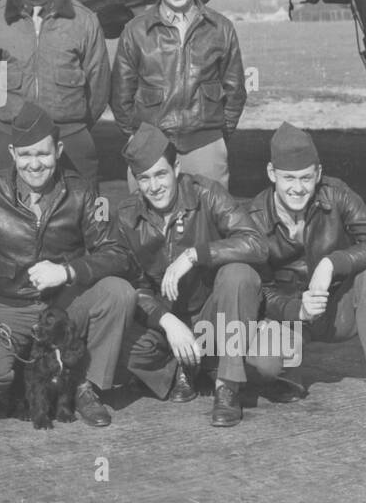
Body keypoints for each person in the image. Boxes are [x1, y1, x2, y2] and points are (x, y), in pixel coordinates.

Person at [0, 103, 136, 426]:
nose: (34, 164)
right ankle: (18, 386)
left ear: (59, 150)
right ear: (12, 153)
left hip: (65, 306)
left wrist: (67, 272)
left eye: (43, 154)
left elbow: (117, 253)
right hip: (8, 307)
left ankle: (86, 386)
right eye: (25, 155)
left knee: (119, 292)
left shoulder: (84, 192)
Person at [241, 122, 366, 432]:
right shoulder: (253, 218)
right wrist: (296, 310)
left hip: (335, 312)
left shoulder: (337, 195)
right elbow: (260, 289)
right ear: (272, 173)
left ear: (318, 174)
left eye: (306, 178)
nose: (298, 188)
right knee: (263, 364)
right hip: (289, 317)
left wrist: (332, 263)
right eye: (288, 178)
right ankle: (289, 370)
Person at [115, 123, 270, 410]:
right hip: (166, 324)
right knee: (113, 345)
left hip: (212, 316)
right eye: (144, 178)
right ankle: (186, 368)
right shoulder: (127, 217)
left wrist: (194, 255)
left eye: (161, 174)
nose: (154, 186)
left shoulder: (208, 194)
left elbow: (256, 244)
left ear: (176, 167)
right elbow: (132, 283)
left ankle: (227, 386)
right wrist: (167, 321)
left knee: (239, 273)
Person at [110, 0, 246, 189]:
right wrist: (138, 137)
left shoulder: (221, 28)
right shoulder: (135, 31)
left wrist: (215, 136)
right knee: (147, 225)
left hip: (204, 144)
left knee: (211, 221)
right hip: (150, 144)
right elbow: (120, 96)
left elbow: (235, 90)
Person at [0, 0, 110, 191]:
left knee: (81, 223)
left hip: (70, 139)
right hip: (10, 140)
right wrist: (7, 124)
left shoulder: (84, 22)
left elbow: (98, 88)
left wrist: (72, 125)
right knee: (6, 223)